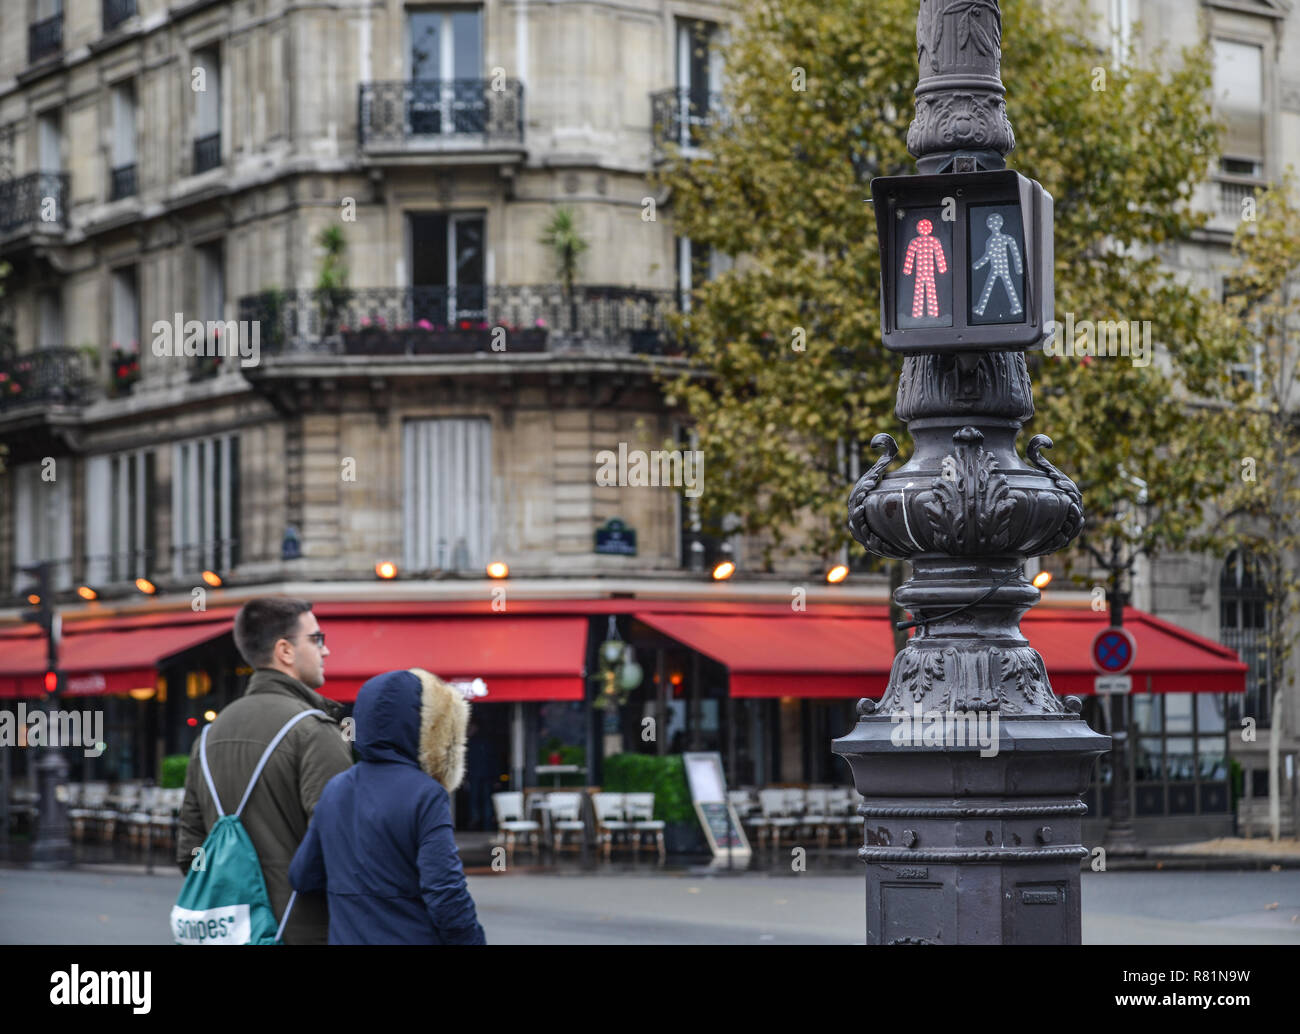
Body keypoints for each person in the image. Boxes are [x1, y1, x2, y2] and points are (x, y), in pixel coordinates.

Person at [176, 597, 353, 945]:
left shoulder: (209, 737)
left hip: (228, 936)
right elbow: (345, 848)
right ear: (285, 651)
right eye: (317, 639)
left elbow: (190, 853)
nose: (326, 651)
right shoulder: (313, 731)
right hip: (304, 932)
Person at [289, 668, 486, 944]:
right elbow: (445, 893)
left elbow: (302, 876)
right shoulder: (426, 794)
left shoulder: (336, 789)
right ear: (422, 724)